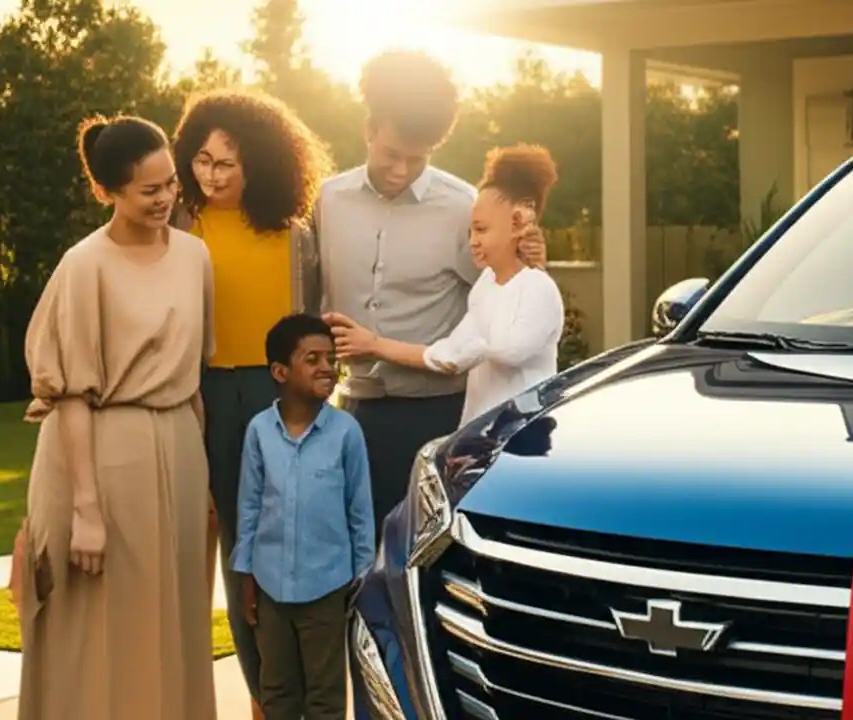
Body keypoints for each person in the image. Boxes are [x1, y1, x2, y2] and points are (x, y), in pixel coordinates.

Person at [17, 115, 215, 719]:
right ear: (107, 192)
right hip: (98, 455)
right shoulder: (84, 265)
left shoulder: (194, 255)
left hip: (179, 446)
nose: (165, 199)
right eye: (148, 190)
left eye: (170, 184)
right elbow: (71, 392)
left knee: (174, 620)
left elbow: (198, 368)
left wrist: (203, 476)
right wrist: (86, 510)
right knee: (97, 626)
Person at [315, 50, 547, 537]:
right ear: (369, 130)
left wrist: (530, 261)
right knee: (356, 550)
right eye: (390, 155)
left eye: (416, 159)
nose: (401, 170)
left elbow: (505, 291)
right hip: (351, 409)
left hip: (438, 415)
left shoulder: (462, 208)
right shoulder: (328, 201)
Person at [171, 88, 329, 717]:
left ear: (258, 163)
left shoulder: (296, 236)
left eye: (226, 164)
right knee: (241, 549)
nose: (211, 175)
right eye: (202, 160)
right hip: (208, 393)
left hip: (279, 394)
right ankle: (264, 697)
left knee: (288, 548)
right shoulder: (180, 224)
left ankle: (300, 692)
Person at [329, 144, 565, 427]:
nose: (473, 241)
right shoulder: (486, 286)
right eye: (471, 231)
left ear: (518, 224)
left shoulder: (538, 288)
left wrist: (464, 350)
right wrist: (374, 345)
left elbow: (509, 351)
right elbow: (445, 354)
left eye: (481, 229)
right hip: (479, 437)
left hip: (524, 436)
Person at [231, 314, 374, 720]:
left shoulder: (346, 432)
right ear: (280, 371)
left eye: (331, 358)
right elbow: (250, 506)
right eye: (312, 359)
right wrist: (245, 575)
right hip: (270, 588)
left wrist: (360, 581)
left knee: (326, 696)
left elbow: (360, 513)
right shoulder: (259, 431)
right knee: (277, 692)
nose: (327, 368)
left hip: (327, 589)